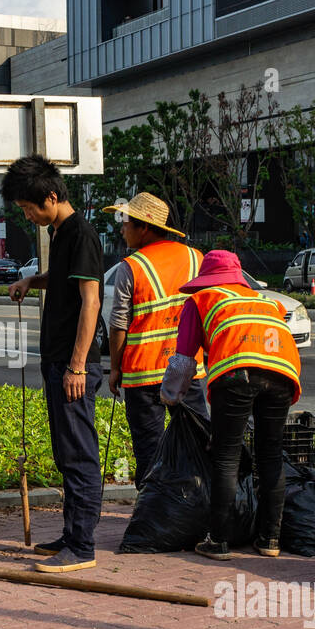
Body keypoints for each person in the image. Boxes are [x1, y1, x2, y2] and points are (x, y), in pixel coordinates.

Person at [162, 250, 301, 560]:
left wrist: (170, 396)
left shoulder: (200, 301)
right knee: (270, 453)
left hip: (237, 373)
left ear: (206, 279)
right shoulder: (266, 301)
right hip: (282, 374)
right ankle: (270, 539)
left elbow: (184, 361)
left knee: (226, 455)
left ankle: (219, 540)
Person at [6, 155, 104, 574]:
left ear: (51, 196)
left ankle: (82, 547)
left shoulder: (81, 233)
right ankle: (70, 535)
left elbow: (91, 300)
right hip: (58, 362)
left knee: (79, 453)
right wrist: (33, 280)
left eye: (29, 208)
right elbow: (63, 278)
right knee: (67, 452)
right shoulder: (61, 234)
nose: (28, 216)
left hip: (73, 364)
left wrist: (77, 366)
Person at [103, 192, 207, 489]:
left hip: (142, 375)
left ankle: (154, 516)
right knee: (198, 445)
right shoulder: (195, 258)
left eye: (125, 223)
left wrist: (114, 368)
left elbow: (118, 323)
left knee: (150, 452)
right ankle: (198, 509)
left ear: (144, 227)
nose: (122, 229)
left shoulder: (131, 266)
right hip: (187, 372)